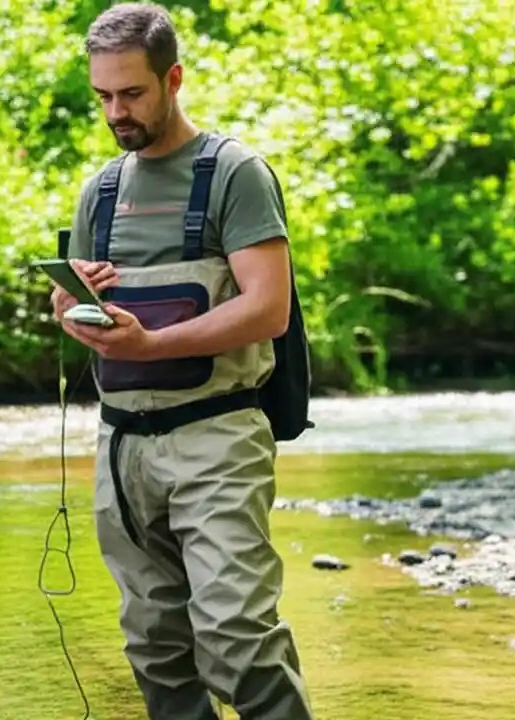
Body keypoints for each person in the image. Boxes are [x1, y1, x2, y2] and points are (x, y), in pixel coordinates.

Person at [47, 3, 315, 719]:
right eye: (102, 95)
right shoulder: (100, 190)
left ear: (174, 79)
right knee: (154, 643)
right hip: (121, 447)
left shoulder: (236, 174)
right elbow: (80, 313)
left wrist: (153, 344)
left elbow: (268, 309)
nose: (115, 111)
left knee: (237, 636)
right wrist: (71, 308)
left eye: (131, 93)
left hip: (217, 438)